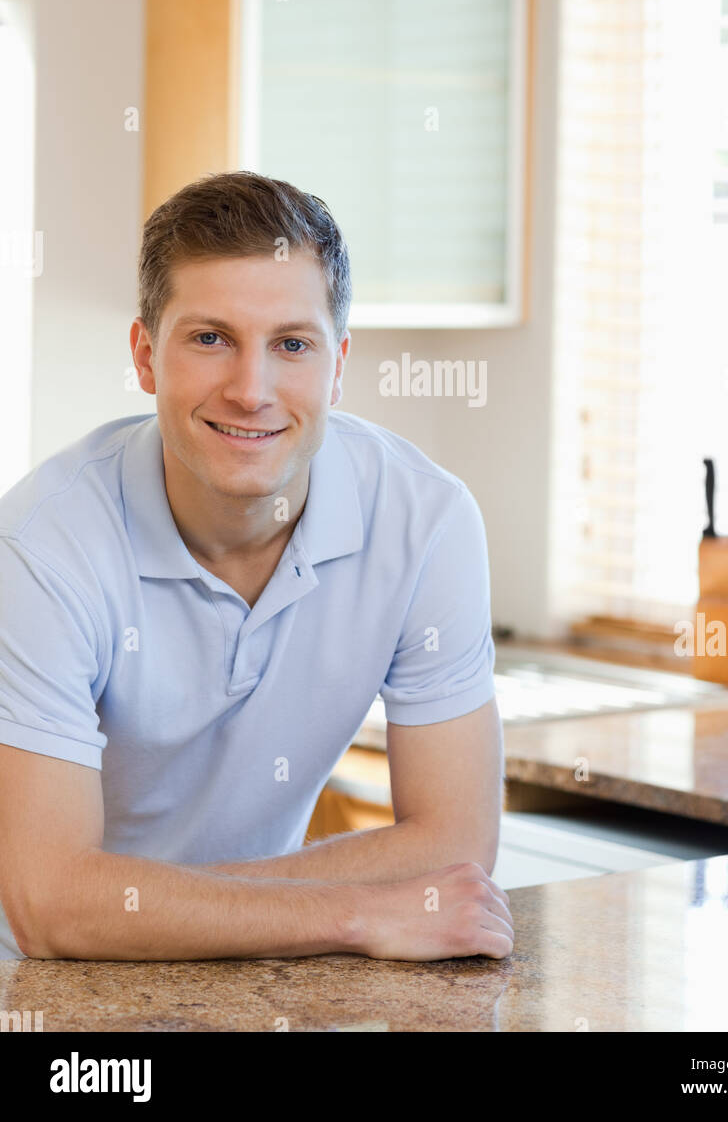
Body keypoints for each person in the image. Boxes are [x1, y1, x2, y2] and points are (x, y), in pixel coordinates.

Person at [0, 171, 512, 963]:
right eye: (211, 339)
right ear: (145, 356)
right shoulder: (42, 548)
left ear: (338, 365)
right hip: (37, 992)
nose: (251, 390)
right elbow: (51, 907)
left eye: (292, 345)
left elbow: (456, 844)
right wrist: (356, 913)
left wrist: (163, 910)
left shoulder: (426, 523)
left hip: (258, 978)